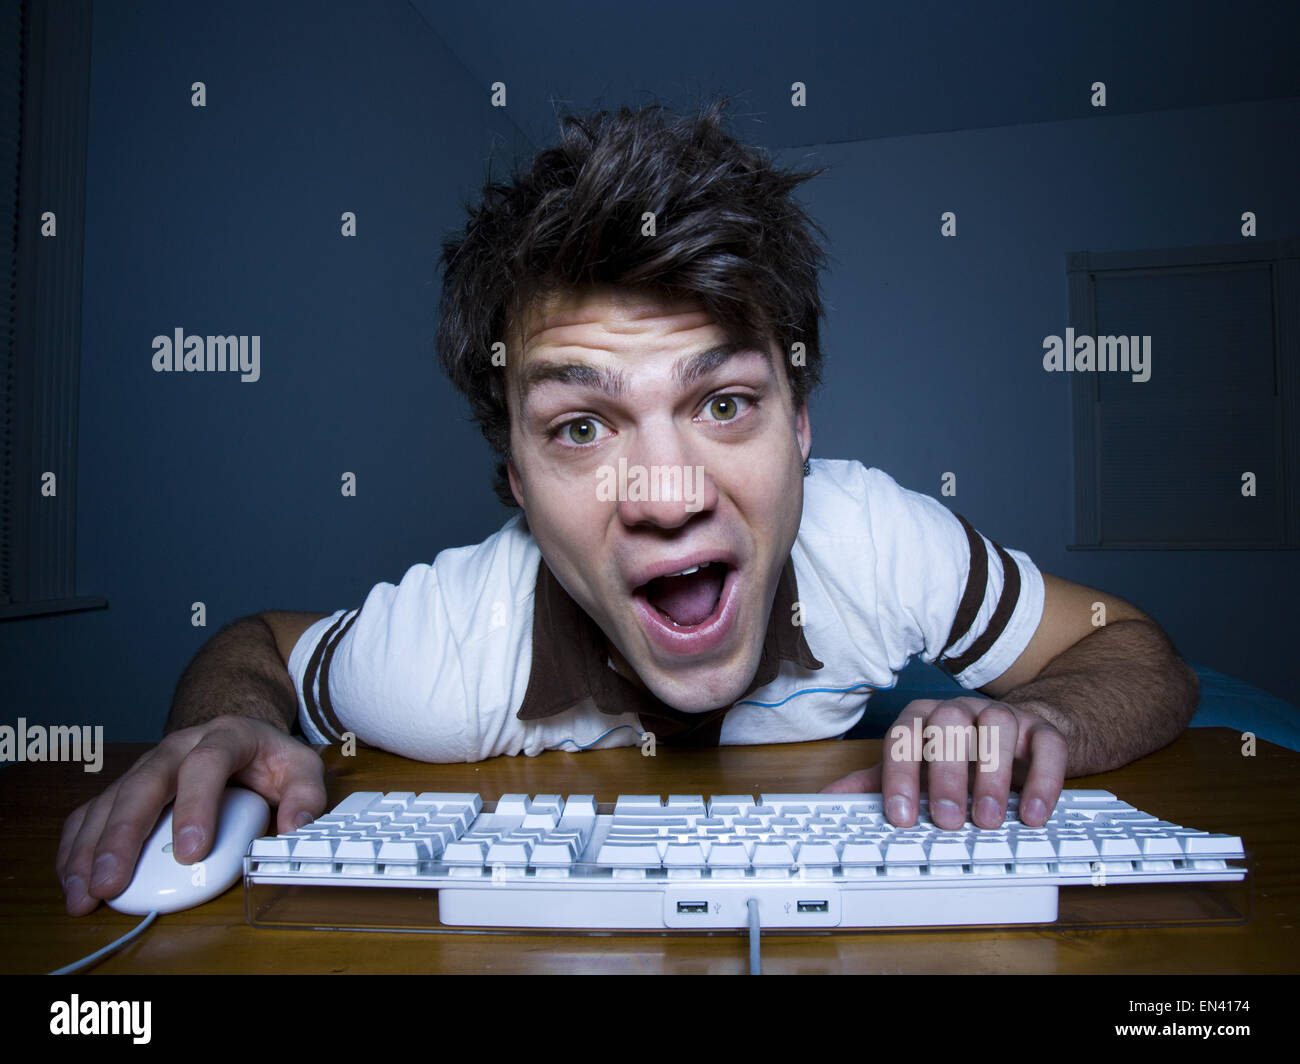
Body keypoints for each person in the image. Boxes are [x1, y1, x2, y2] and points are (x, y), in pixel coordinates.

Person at [57, 99, 1199, 915]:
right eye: (580, 427)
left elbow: (1134, 650)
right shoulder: (452, 649)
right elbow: (254, 643)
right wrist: (228, 725)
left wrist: (1046, 718)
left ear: (801, 430)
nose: (666, 495)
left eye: (725, 401)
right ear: (515, 483)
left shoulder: (876, 539)